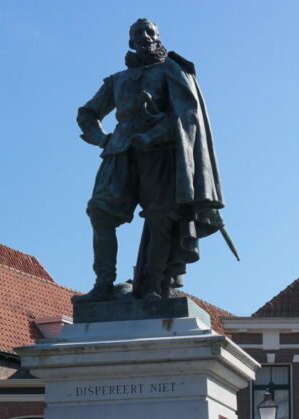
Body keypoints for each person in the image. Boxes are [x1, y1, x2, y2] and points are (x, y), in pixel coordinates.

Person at [76, 18, 227, 300]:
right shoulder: (117, 80)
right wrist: (102, 139)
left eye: (150, 32)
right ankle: (103, 285)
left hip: (160, 155)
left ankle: (151, 287)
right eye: (137, 33)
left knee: (160, 219)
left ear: (157, 38)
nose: (144, 36)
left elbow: (187, 114)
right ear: (130, 41)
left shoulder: (171, 70)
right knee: (100, 212)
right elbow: (87, 113)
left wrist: (154, 134)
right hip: (120, 152)